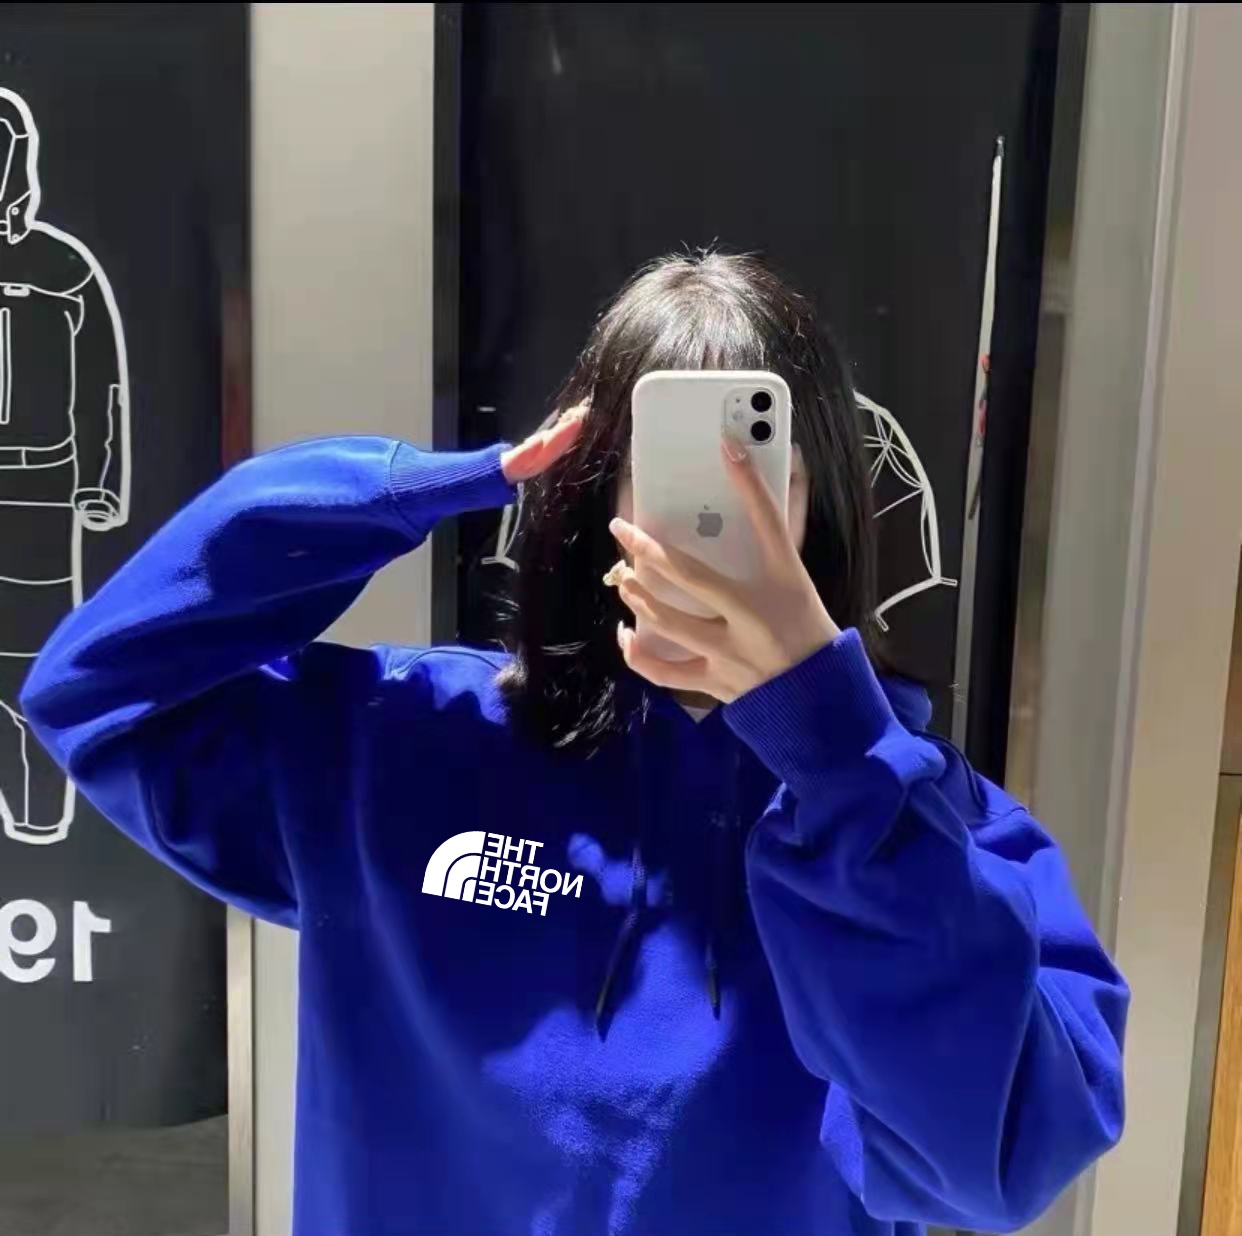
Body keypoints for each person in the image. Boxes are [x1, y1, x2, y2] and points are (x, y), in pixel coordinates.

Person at [21, 252, 1127, 1236]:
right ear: (596, 488)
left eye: (759, 470)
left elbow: (997, 1166)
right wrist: (431, 486)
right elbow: (99, 691)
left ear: (821, 502)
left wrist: (836, 749)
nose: (711, 515)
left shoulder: (935, 833)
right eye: (667, 466)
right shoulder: (402, 741)